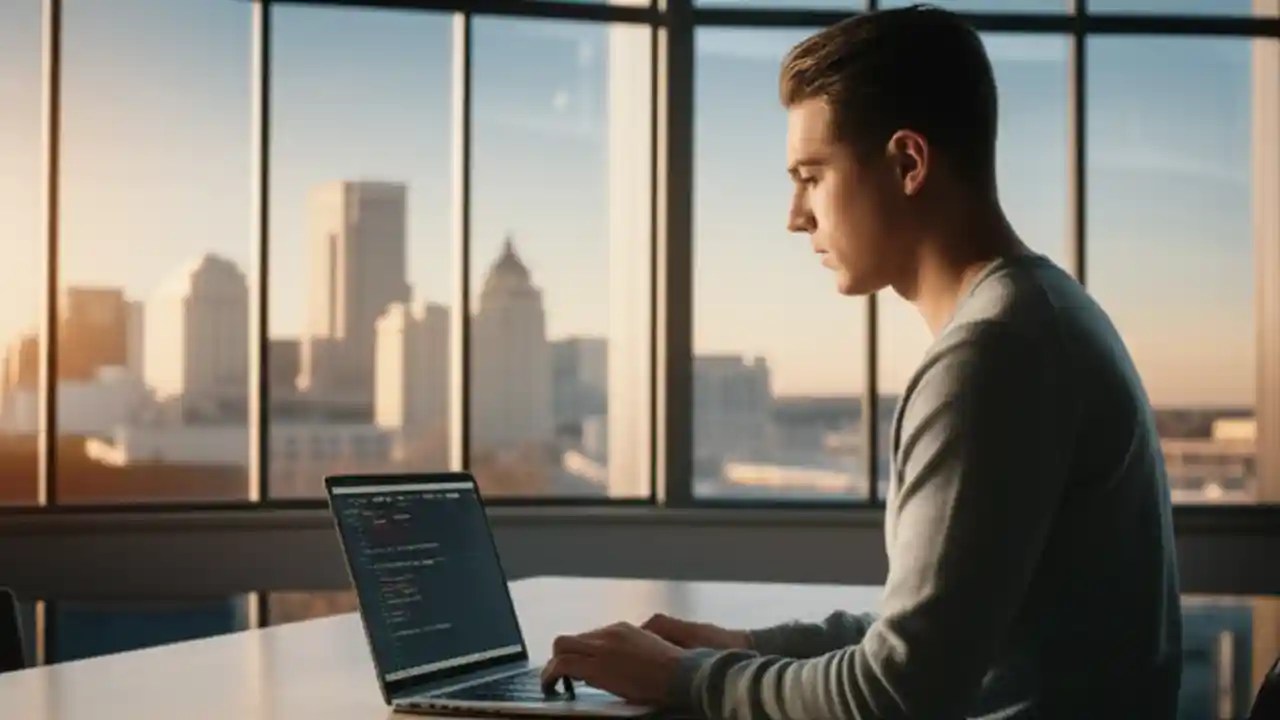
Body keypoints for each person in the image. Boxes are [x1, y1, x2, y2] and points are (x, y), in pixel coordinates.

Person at [540, 5, 1182, 718]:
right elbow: (930, 641)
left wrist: (685, 679)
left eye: (811, 175)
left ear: (908, 162)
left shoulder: (994, 356)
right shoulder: (1041, 313)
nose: (795, 214)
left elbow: (895, 693)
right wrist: (742, 645)